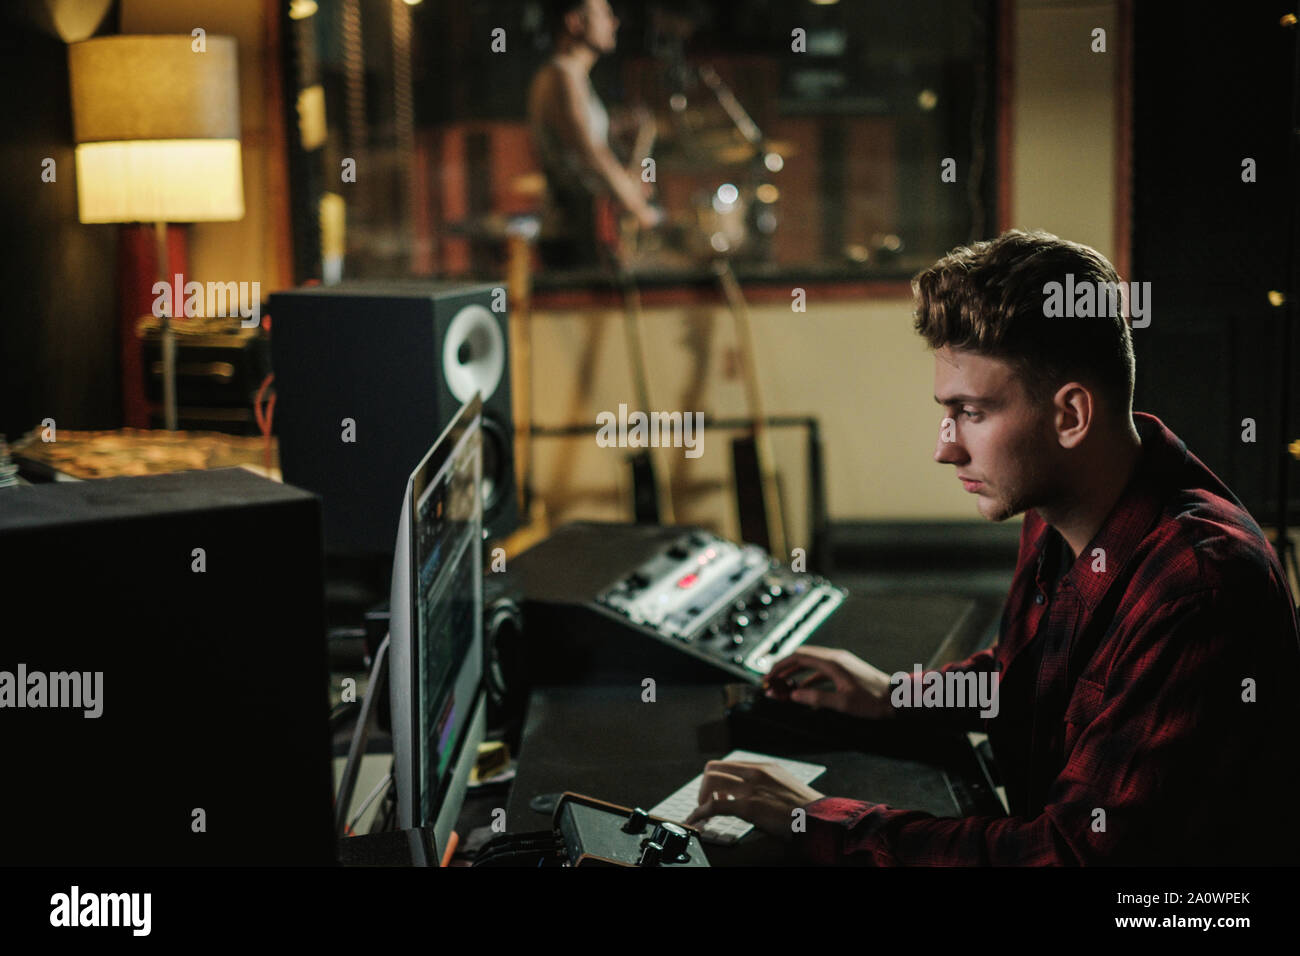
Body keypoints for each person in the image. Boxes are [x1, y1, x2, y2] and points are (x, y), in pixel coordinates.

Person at [686, 230, 1300, 864]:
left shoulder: (1200, 588)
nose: (945, 447)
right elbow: (1035, 684)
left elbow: (1068, 858)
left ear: (1071, 416)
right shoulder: (1056, 503)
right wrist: (894, 695)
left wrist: (815, 822)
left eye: (971, 412)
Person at [527, 0, 659, 269]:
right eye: (604, 14)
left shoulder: (573, 76)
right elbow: (590, 154)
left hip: (585, 227)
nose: (614, 22)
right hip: (574, 233)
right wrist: (638, 206)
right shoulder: (562, 76)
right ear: (575, 22)